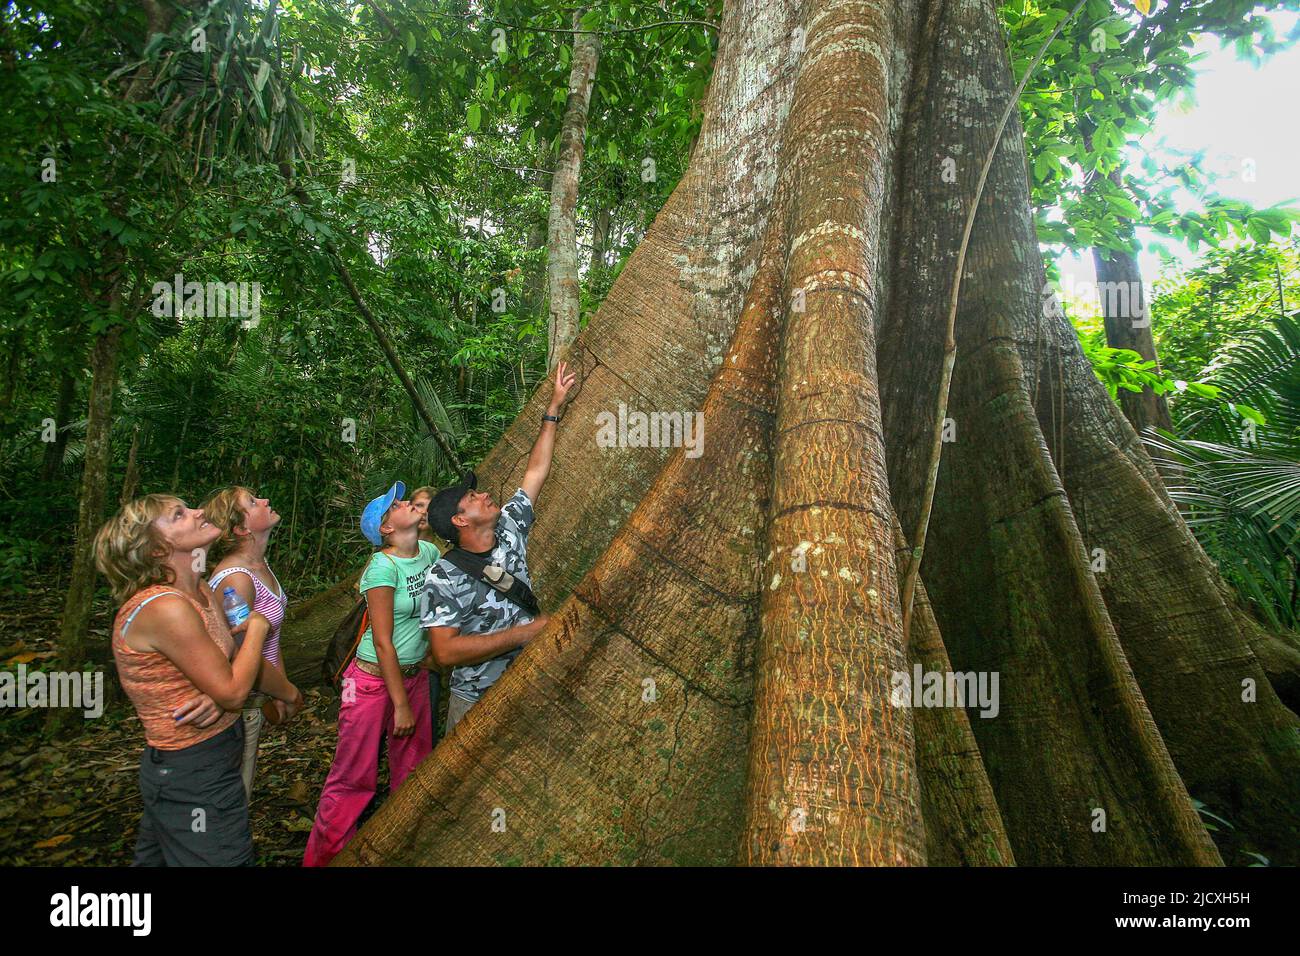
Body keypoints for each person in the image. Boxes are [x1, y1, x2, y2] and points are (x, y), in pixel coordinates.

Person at [95, 494, 272, 866]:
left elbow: (220, 669)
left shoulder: (201, 590)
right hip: (193, 768)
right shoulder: (165, 607)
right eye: (180, 514)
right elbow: (235, 692)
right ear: (158, 549)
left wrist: (214, 689)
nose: (198, 512)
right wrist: (257, 626)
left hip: (205, 756)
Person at [421, 361, 575, 731]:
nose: (486, 494)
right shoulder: (443, 577)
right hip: (477, 698)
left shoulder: (508, 526)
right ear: (460, 521)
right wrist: (524, 633)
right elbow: (443, 651)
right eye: (474, 496)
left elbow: (535, 473)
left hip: (527, 681)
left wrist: (552, 409)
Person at [302, 482, 441, 867]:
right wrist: (400, 704)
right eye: (396, 505)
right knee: (353, 777)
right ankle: (324, 858)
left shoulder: (429, 552)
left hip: (412, 676)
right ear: (386, 529)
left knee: (414, 768)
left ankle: (404, 847)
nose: (406, 502)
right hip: (368, 682)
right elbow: (382, 641)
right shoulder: (382, 567)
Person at [201, 486, 303, 800]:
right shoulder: (237, 580)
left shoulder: (261, 567)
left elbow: (270, 637)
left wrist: (279, 689)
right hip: (235, 711)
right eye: (253, 501)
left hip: (256, 701)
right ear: (241, 528)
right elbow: (243, 654)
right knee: (231, 800)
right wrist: (289, 693)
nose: (266, 499)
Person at [408, 485, 442, 739]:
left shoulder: (443, 552)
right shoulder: (393, 548)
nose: (423, 514)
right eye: (418, 506)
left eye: (429, 509)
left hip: (429, 653)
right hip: (391, 652)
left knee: (424, 725)